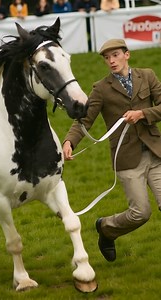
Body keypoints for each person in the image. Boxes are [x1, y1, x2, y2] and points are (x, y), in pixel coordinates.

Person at [63, 39, 161, 262]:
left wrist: (143, 114)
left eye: (115, 55)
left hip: (156, 152)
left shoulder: (147, 76)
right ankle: (106, 228)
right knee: (141, 213)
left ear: (127, 55)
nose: (111, 60)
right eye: (107, 58)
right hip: (127, 158)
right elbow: (84, 120)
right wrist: (69, 142)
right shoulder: (101, 88)